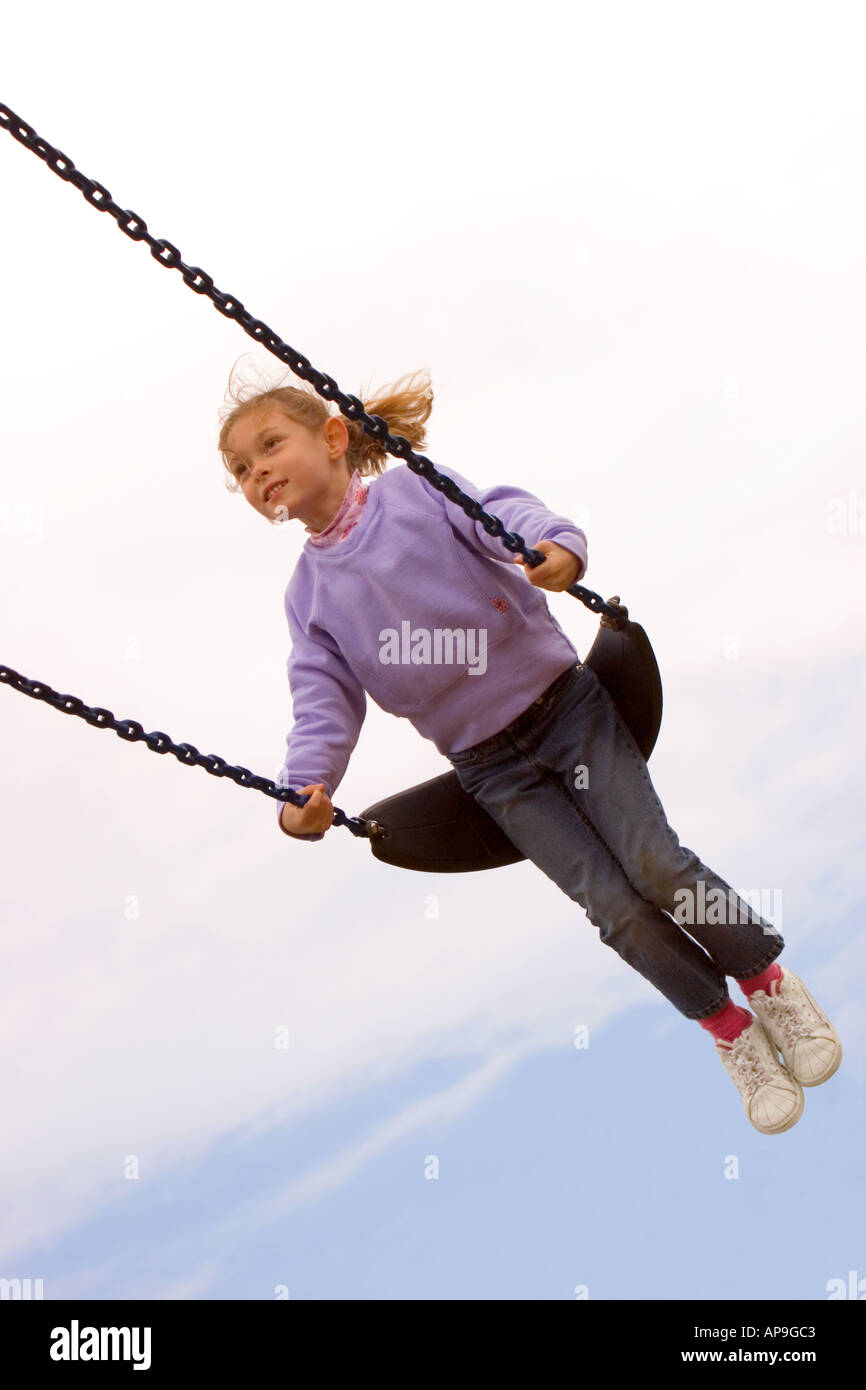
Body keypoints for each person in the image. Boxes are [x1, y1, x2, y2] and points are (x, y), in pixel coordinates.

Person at [219, 366, 842, 1135]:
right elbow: (321, 702)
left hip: (566, 711)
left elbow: (499, 512)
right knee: (614, 910)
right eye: (241, 471)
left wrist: (554, 548)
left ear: (335, 437)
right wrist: (302, 792)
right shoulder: (308, 598)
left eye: (269, 447)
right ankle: (731, 1032)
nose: (258, 473)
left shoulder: (415, 491)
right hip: (491, 768)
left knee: (656, 867)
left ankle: (769, 983)